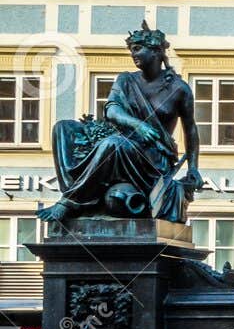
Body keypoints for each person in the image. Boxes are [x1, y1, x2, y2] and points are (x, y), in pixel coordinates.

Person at [39, 22, 203, 224]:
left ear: (155, 51)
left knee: (113, 145)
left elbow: (191, 129)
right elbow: (112, 110)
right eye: (131, 50)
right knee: (64, 128)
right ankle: (77, 188)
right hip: (128, 141)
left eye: (137, 49)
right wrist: (138, 125)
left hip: (154, 156)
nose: (133, 54)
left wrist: (193, 168)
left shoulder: (179, 89)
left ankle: (70, 202)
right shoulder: (126, 80)